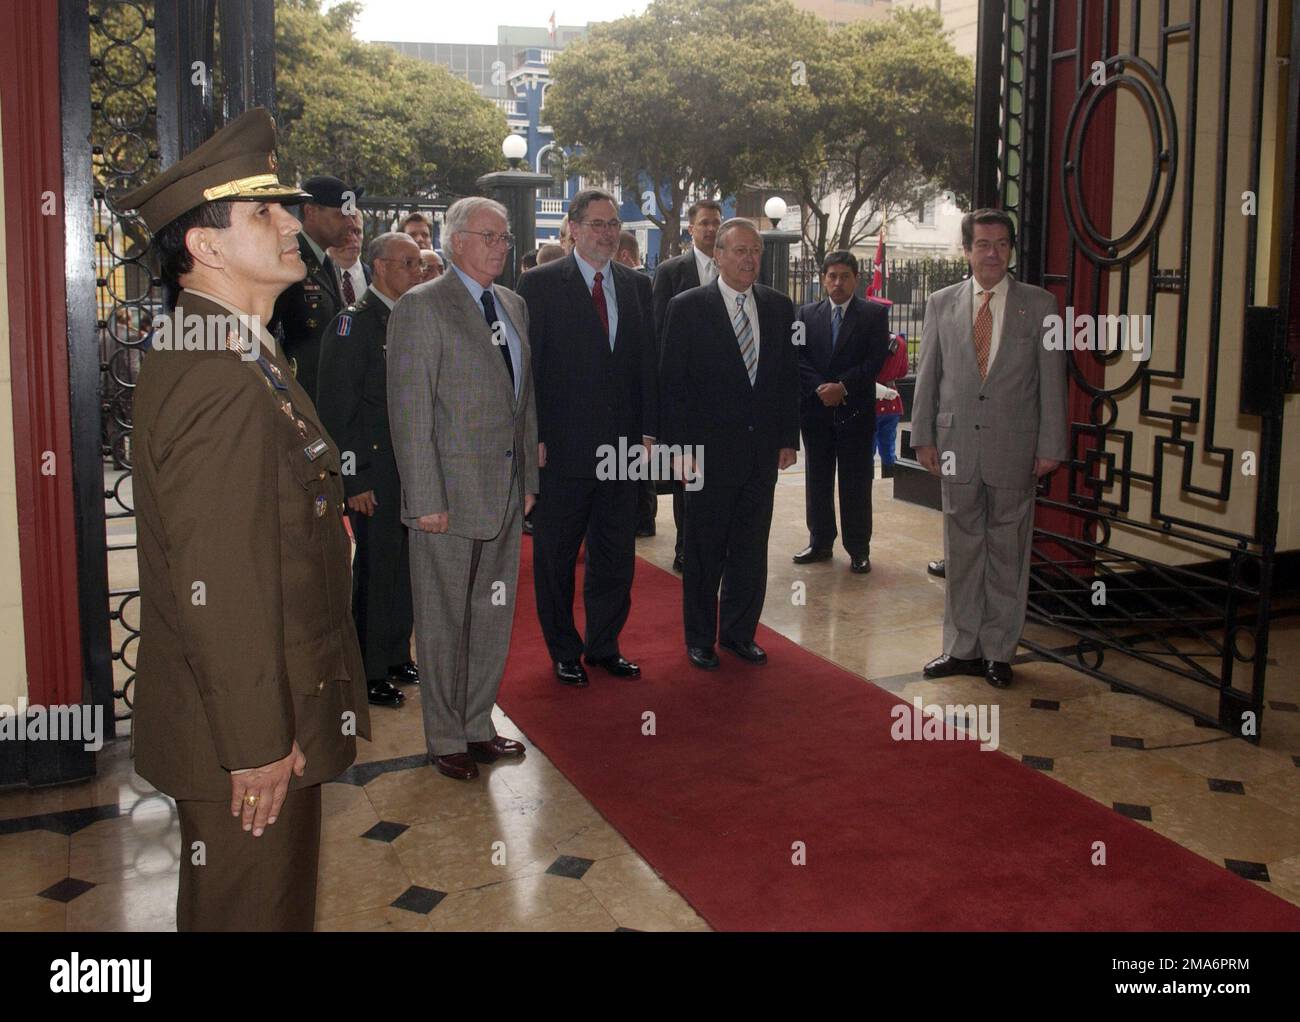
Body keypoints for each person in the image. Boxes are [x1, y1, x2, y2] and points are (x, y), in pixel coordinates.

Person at [120, 107, 370, 931]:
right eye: (262, 211)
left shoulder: (237, 348)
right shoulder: (215, 374)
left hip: (264, 709)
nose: (289, 223)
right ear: (206, 244)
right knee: (252, 913)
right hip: (251, 730)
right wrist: (258, 743)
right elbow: (218, 582)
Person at [387, 197, 539, 780]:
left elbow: (523, 399)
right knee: (445, 618)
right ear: (456, 242)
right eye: (490, 236)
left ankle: (477, 722)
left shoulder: (513, 304)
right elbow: (410, 411)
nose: (502, 246)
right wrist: (425, 499)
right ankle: (445, 734)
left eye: (505, 237)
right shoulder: (422, 308)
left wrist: (528, 478)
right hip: (446, 499)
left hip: (504, 492)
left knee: (491, 615)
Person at [911, 208, 1068, 688]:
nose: (992, 253)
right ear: (967, 250)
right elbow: (929, 375)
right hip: (956, 445)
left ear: (1011, 250)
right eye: (982, 244)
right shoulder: (941, 302)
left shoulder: (1040, 306)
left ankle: (999, 651)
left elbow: (1051, 384)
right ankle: (961, 648)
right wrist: (923, 437)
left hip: (1015, 450)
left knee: (1007, 552)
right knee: (961, 552)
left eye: (1001, 244)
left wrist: (1051, 445)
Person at [517, 188, 658, 687]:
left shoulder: (638, 285)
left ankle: (604, 646)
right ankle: (563, 649)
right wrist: (532, 435)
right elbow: (526, 369)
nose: (606, 233)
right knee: (556, 558)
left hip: (623, 452)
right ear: (573, 228)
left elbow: (647, 365)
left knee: (616, 554)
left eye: (612, 223)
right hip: (562, 449)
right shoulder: (537, 285)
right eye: (596, 224)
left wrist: (648, 433)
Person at [659, 217, 799, 670]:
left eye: (755, 251)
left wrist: (787, 439)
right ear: (717, 255)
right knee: (703, 552)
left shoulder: (779, 308)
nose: (749, 259)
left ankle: (739, 633)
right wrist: (677, 451)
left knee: (750, 548)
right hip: (705, 458)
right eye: (739, 251)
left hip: (760, 457)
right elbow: (672, 387)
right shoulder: (687, 307)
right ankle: (700, 638)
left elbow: (786, 380)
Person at [316, 231, 424, 710]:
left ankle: (397, 652)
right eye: (408, 263)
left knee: (405, 569)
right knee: (377, 571)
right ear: (380, 266)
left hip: (410, 468)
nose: (417, 273)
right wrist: (353, 479)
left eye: (420, 264)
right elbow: (338, 408)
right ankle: (369, 666)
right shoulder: (353, 324)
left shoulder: (413, 317)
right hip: (374, 470)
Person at [793, 251, 891, 574]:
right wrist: (822, 387)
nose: (837, 283)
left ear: (856, 279)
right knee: (817, 480)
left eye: (844, 276)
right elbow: (798, 357)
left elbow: (875, 361)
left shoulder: (873, 316)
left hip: (855, 413)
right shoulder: (805, 315)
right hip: (817, 412)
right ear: (823, 279)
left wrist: (842, 387)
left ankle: (858, 548)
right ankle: (820, 542)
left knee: (856, 482)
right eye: (832, 276)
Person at [652, 199, 724, 572]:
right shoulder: (671, 272)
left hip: (726, 401)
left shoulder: (735, 270)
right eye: (704, 224)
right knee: (687, 477)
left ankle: (715, 547)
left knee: (720, 480)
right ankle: (685, 546)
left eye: (716, 222)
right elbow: (659, 333)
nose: (711, 229)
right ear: (690, 229)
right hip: (687, 396)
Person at [270, 174, 361, 398]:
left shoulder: (324, 262)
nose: (350, 224)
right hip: (297, 392)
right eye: (341, 215)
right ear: (310, 212)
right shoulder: (288, 259)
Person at [874, 331, 909, 478]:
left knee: (865, 450)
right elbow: (903, 372)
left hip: (872, 401)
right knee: (889, 449)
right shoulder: (900, 342)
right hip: (891, 402)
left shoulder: (867, 339)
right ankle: (889, 483)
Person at [327, 210, 368, 306]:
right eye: (344, 232)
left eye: (357, 231)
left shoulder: (377, 276)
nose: (353, 238)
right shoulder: (313, 277)